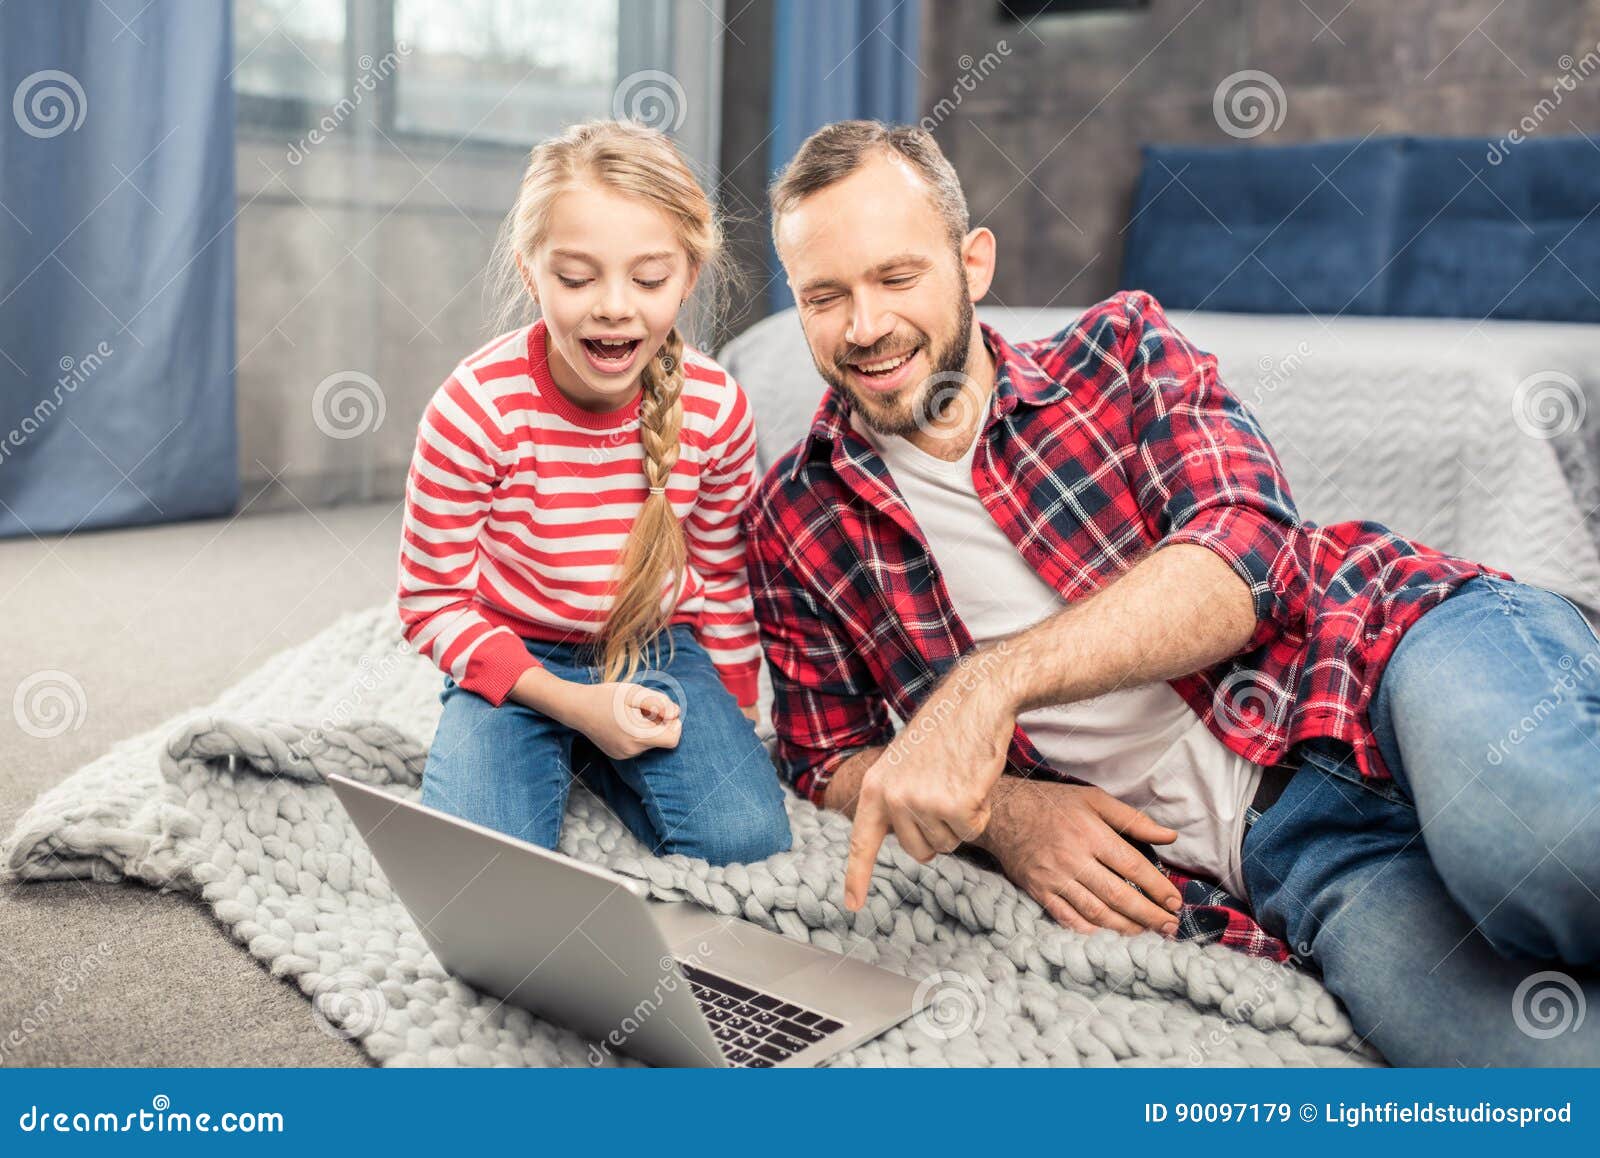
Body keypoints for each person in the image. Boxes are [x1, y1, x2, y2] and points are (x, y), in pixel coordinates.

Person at [744, 119, 1600, 1065]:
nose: (865, 327)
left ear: (972, 263)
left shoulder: (1120, 351)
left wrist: (990, 687)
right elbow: (826, 758)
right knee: (1540, 1064)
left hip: (1390, 654)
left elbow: (1245, 562)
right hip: (1297, 861)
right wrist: (1006, 815)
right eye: (825, 295)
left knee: (1531, 845)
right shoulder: (792, 518)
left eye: (896, 278)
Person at [397, 120, 790, 866]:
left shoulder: (717, 408)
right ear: (529, 272)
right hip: (516, 655)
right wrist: (572, 703)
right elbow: (430, 603)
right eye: (577, 279)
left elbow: (725, 575)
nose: (614, 306)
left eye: (648, 280)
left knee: (746, 839)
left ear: (690, 275)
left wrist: (734, 711)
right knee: (481, 869)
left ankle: (596, 748)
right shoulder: (474, 408)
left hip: (657, 645)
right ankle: (577, 736)